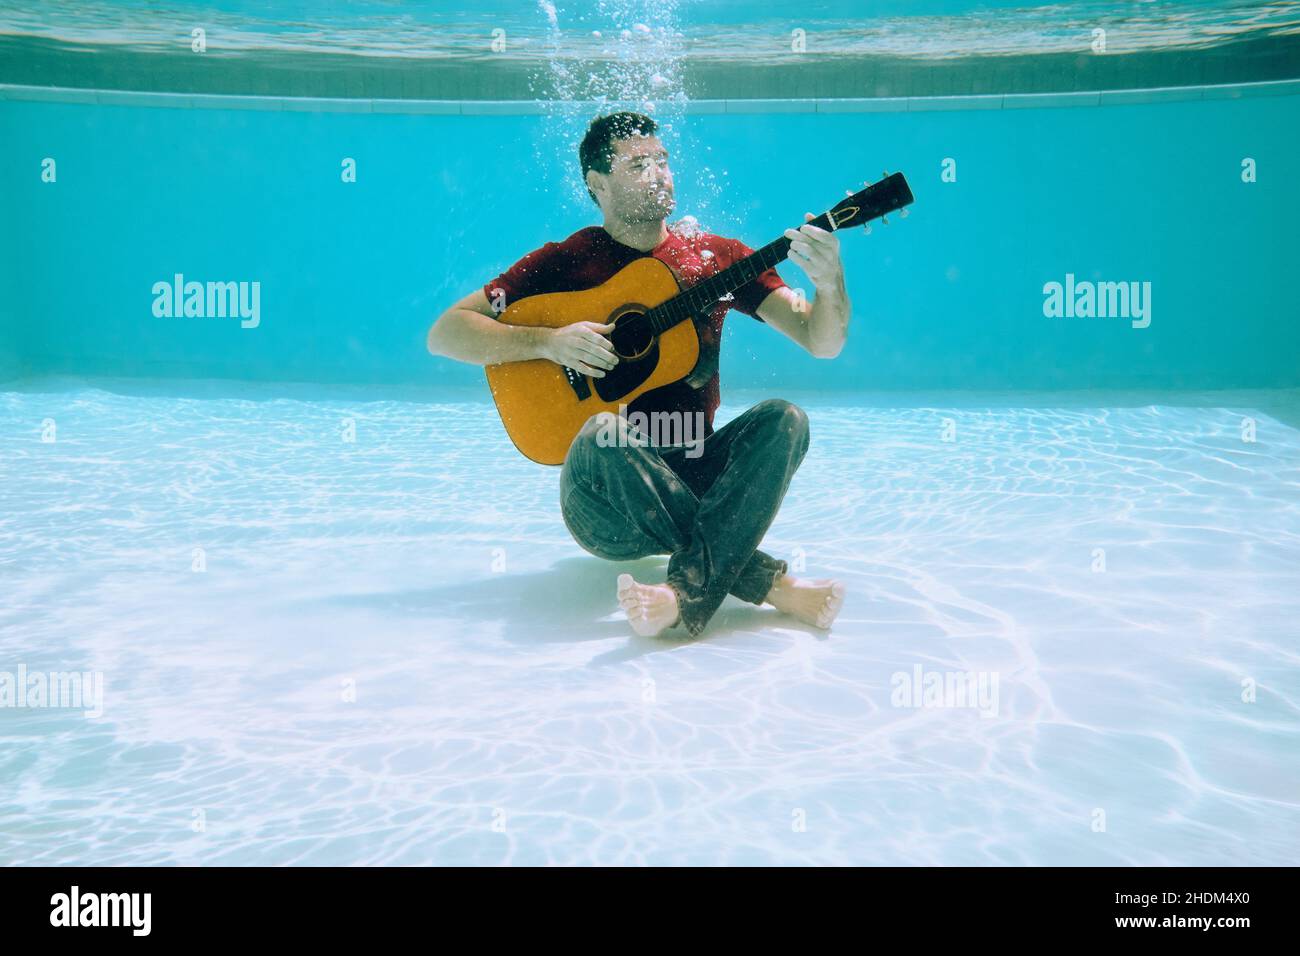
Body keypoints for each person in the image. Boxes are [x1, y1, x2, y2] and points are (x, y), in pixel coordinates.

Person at [427, 111, 850, 638]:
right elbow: (446, 332)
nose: (660, 174)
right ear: (597, 184)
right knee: (605, 432)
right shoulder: (565, 261)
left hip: (695, 474)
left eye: (663, 161)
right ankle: (772, 586)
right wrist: (548, 341)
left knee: (785, 420)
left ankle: (679, 594)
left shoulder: (714, 258)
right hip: (604, 500)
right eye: (638, 165)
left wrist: (830, 283)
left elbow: (820, 340)